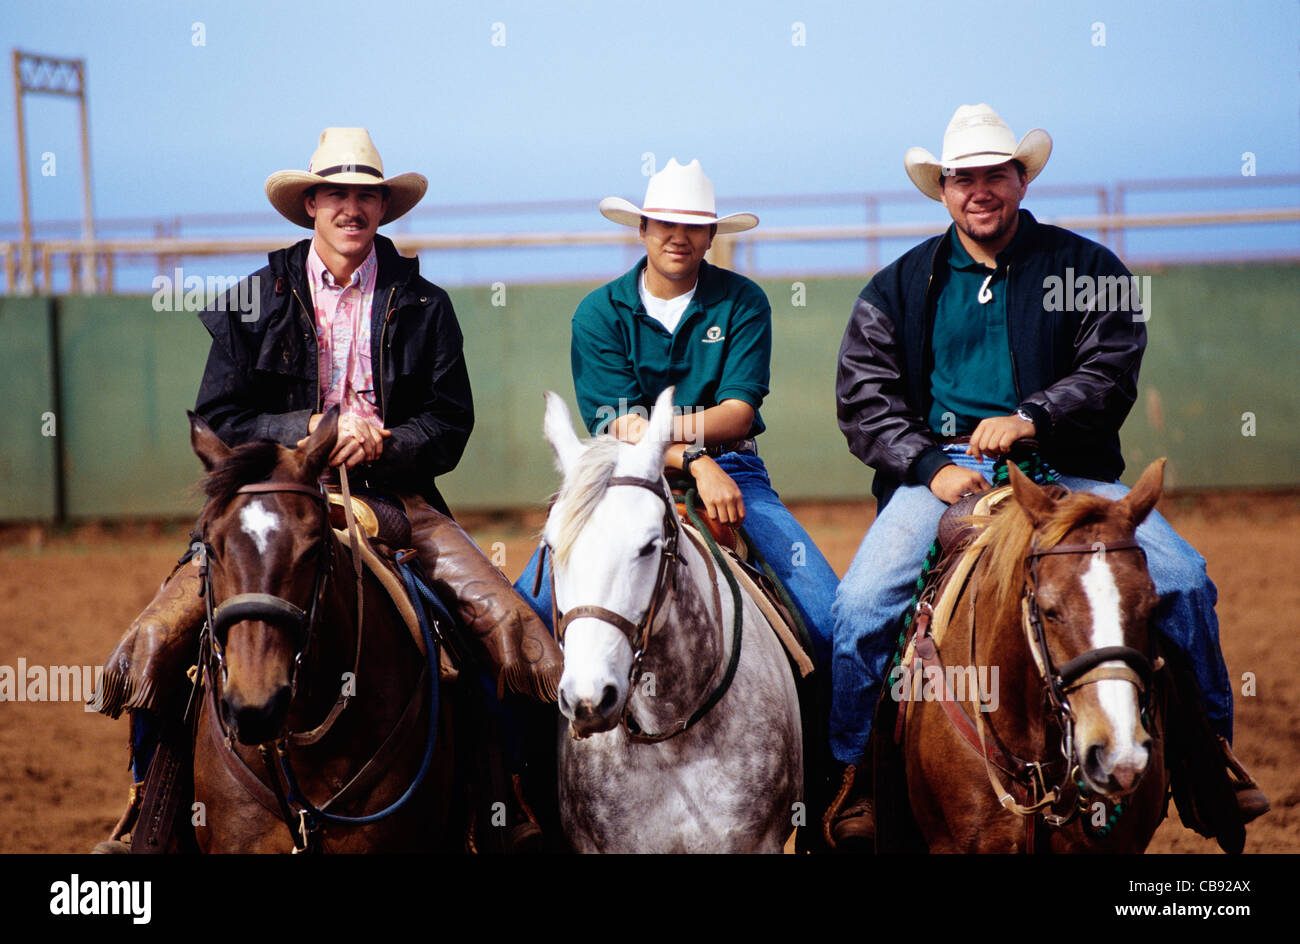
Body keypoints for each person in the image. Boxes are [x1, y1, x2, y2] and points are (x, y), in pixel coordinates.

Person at [93, 127, 562, 850]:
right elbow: (219, 416)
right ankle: (148, 821)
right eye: (337, 194)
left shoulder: (423, 303)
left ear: (383, 208)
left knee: (508, 628)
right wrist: (302, 429)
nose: (352, 208)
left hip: (393, 500)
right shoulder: (254, 298)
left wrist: (389, 441)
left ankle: (504, 811)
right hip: (267, 501)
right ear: (311, 203)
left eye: (366, 195)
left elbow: (449, 424)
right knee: (158, 640)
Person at [828, 104, 1269, 846]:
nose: (980, 191)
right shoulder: (898, 287)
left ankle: (1207, 763)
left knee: (1185, 580)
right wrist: (929, 466)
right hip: (945, 473)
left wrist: (1034, 414)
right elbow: (863, 399)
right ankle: (852, 784)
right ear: (943, 191)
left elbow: (1111, 368)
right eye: (963, 179)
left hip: (1070, 472)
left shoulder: (1088, 269)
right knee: (860, 607)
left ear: (1020, 179)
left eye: (995, 175)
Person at [516, 157, 838, 676]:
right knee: (524, 620)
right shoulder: (599, 312)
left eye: (692, 225)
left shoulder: (742, 302)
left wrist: (684, 449)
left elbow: (737, 414)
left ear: (711, 235)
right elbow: (617, 423)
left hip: (734, 470)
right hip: (618, 478)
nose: (677, 236)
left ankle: (833, 756)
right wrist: (692, 459)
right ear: (642, 228)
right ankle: (524, 759)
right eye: (664, 222)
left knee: (826, 616)